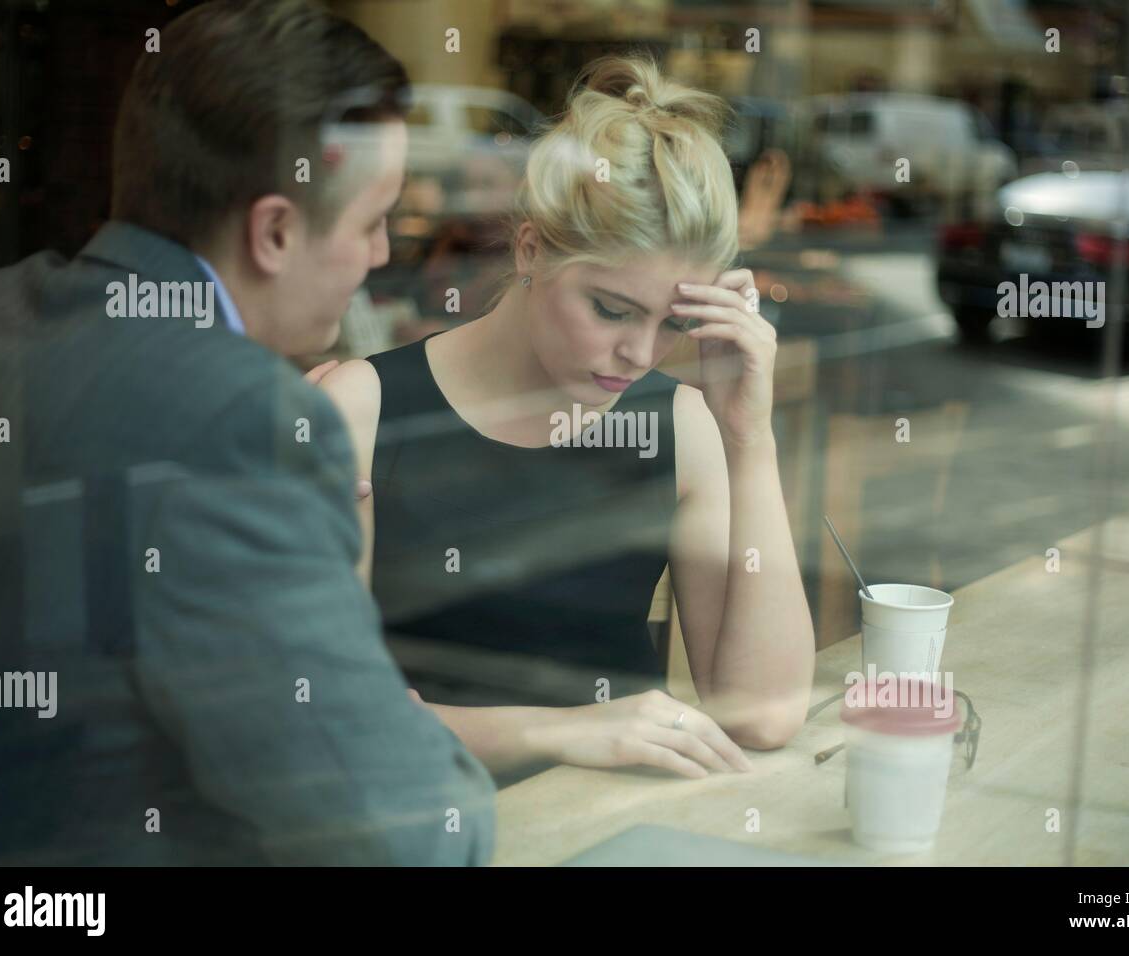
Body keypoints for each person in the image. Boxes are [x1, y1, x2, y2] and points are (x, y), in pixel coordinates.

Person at [0, 0, 494, 865]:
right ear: (275, 231)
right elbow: (400, 835)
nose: (383, 253)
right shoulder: (246, 420)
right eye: (369, 220)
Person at [320, 56, 816, 784]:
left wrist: (751, 438)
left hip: (611, 831)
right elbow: (334, 723)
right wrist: (571, 731)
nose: (641, 353)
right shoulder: (363, 411)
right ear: (531, 250)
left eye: (674, 320)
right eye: (612, 310)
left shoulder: (681, 426)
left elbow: (763, 714)